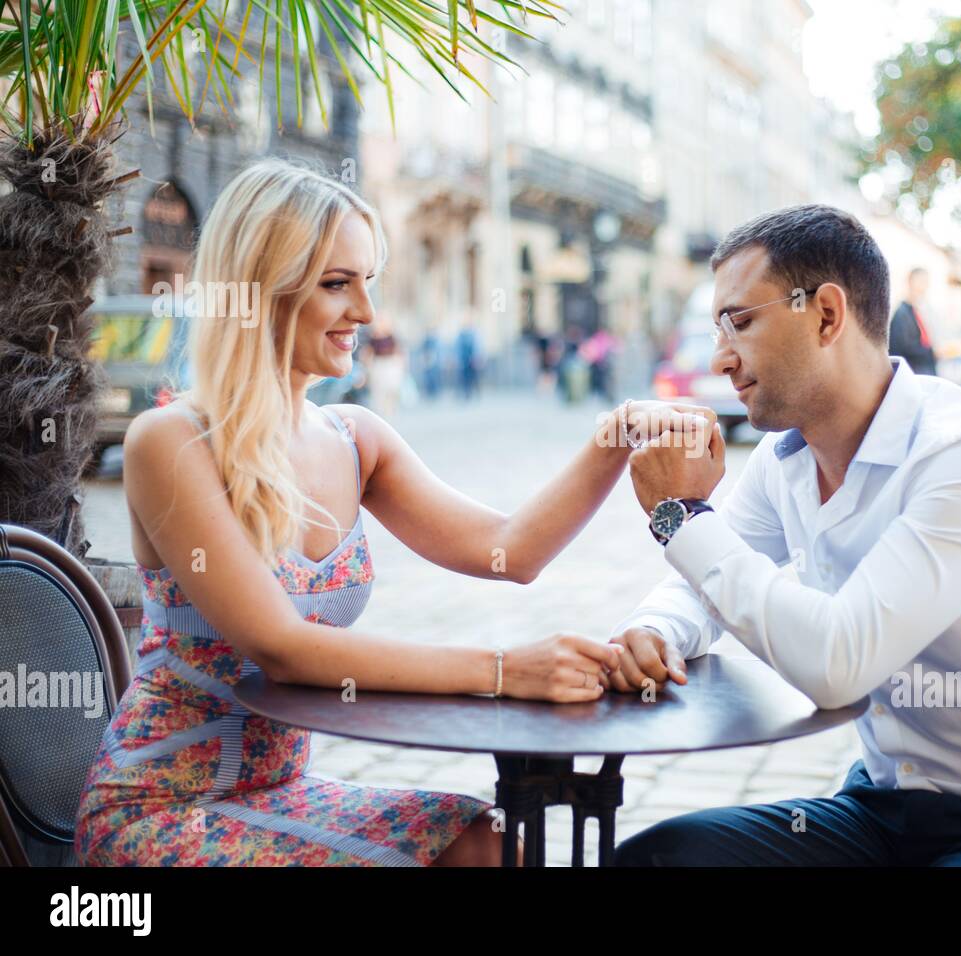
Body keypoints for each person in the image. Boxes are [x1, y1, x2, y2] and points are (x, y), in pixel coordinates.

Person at [74, 159, 713, 867]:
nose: (368, 314)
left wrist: (616, 436)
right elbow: (281, 648)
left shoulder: (355, 440)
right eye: (336, 284)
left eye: (368, 282)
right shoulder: (170, 441)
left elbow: (512, 550)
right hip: (162, 812)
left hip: (282, 792)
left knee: (491, 841)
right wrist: (505, 670)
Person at [605, 204, 961, 867]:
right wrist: (655, 630)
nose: (720, 358)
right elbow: (703, 585)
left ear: (827, 315)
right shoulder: (785, 459)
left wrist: (679, 513)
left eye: (739, 322)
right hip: (882, 811)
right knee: (661, 858)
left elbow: (837, 665)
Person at [887, 266, 937, 375]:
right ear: (910, 282)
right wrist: (934, 352)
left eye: (926, 283)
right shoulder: (902, 313)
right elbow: (904, 350)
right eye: (921, 281)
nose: (924, 287)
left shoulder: (916, 311)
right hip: (912, 374)